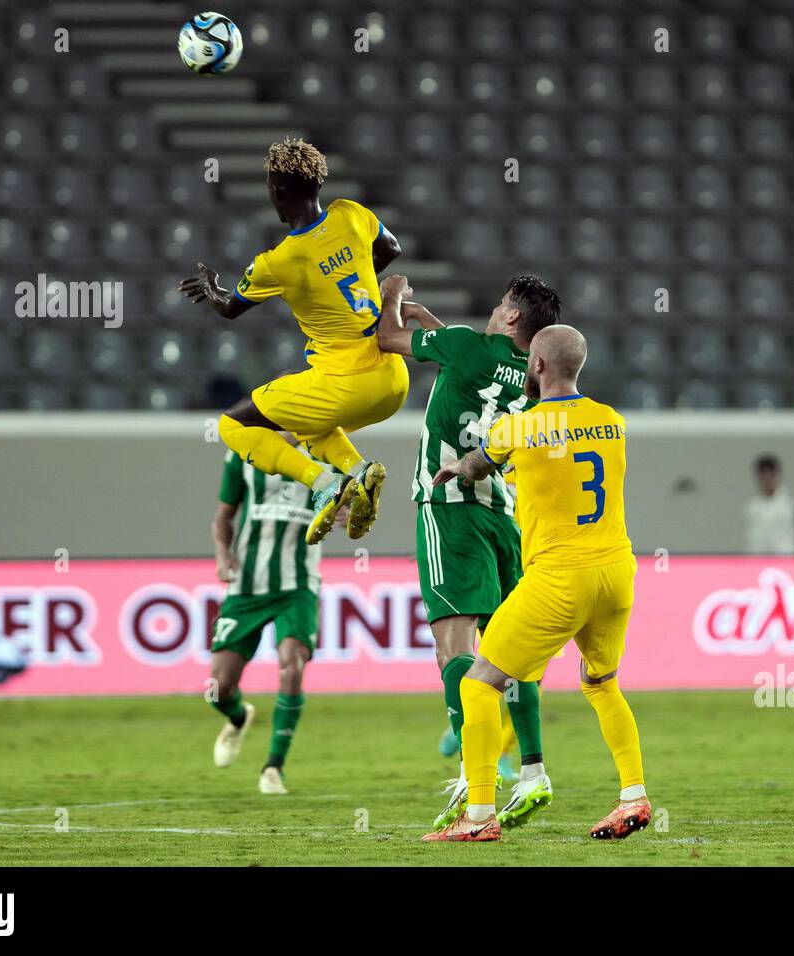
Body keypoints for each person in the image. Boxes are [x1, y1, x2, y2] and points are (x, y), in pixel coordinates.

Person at [423, 326, 649, 842]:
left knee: (478, 683)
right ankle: (633, 795)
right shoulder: (611, 421)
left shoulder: (520, 426)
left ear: (539, 365)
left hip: (559, 577)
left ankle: (478, 818)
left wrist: (458, 465)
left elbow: (480, 465)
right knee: (602, 684)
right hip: (615, 573)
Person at [376, 273, 561, 831]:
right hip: (504, 517)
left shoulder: (464, 346)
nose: (494, 310)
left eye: (501, 303)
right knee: (513, 651)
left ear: (510, 318)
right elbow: (477, 370)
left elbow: (386, 339)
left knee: (453, 648)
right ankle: (532, 773)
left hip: (447, 507)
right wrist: (435, 325)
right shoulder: (535, 378)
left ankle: (471, 774)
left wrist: (392, 296)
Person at [178, 137, 407, 546]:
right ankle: (359, 473)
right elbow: (390, 248)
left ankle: (321, 484)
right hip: (393, 379)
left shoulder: (279, 261)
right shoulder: (350, 214)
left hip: (347, 387)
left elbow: (230, 308)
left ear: (277, 191)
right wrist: (345, 279)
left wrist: (212, 288)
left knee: (233, 424)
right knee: (302, 416)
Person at [207, 434, 331, 795]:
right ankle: (238, 716)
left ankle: (273, 767)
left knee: (291, 666)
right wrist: (222, 554)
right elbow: (222, 518)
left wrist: (346, 511)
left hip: (298, 585)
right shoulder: (243, 454)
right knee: (218, 688)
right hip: (247, 586)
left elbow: (347, 509)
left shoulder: (327, 454)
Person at [744, 454, 794, 554]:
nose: (767, 480)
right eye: (763, 476)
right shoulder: (752, 505)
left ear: (776, 475)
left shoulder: (790, 502)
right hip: (758, 558)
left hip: (785, 557)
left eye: (770, 474)